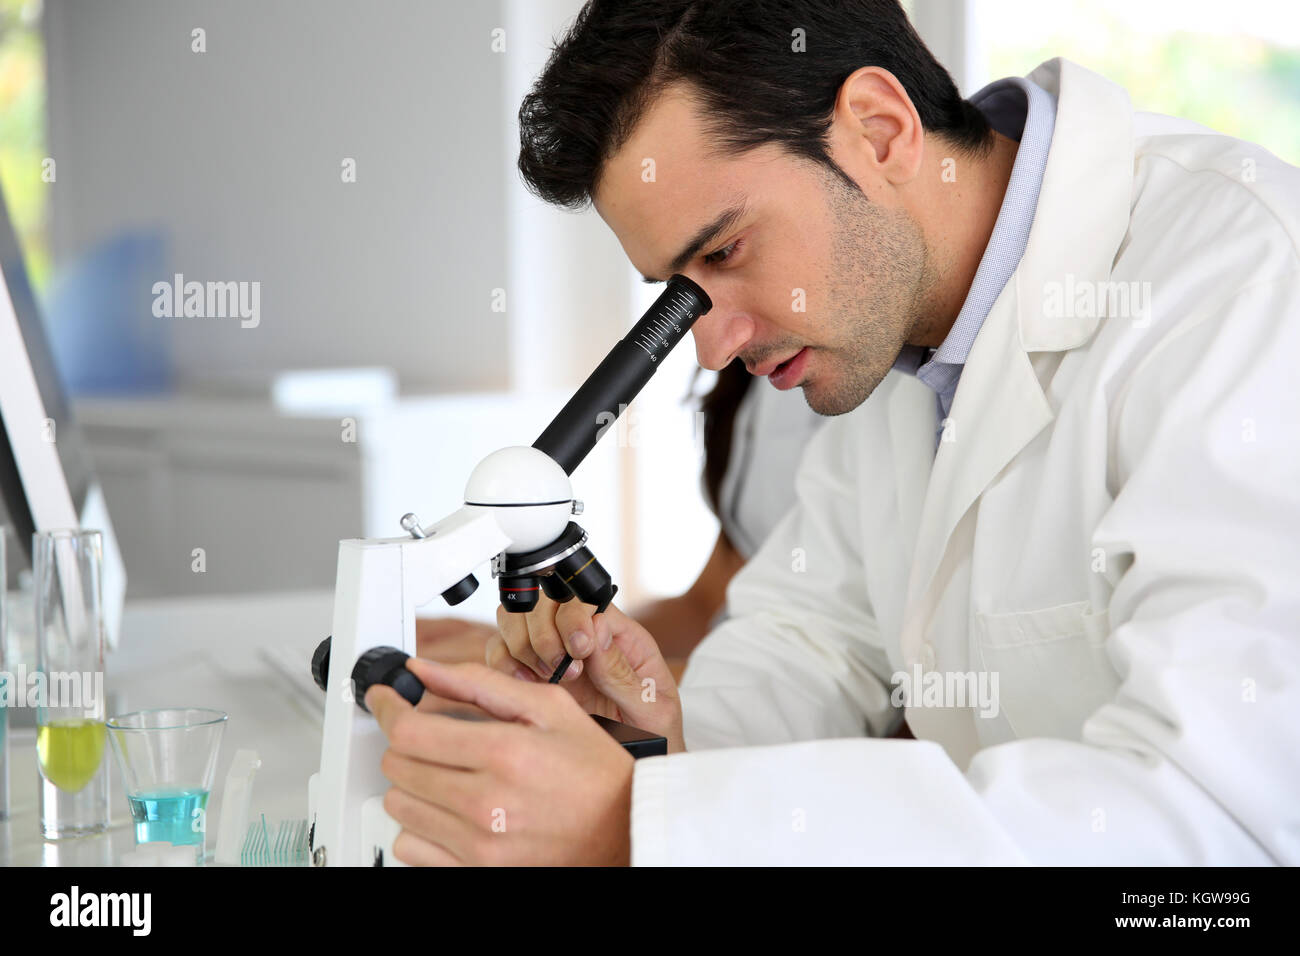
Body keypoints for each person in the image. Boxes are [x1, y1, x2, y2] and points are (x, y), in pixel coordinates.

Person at [366, 0, 1300, 865]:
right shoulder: (899, 338)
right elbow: (806, 642)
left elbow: (1212, 825)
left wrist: (644, 827)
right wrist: (645, 738)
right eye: (677, 292)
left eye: (724, 251)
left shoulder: (1245, 285)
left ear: (879, 131)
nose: (710, 346)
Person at [414, 359, 824, 669]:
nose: (708, 345)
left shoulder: (852, 386)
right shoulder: (747, 374)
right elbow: (707, 604)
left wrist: (598, 680)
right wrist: (575, 647)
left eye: (720, 253)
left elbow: (838, 675)